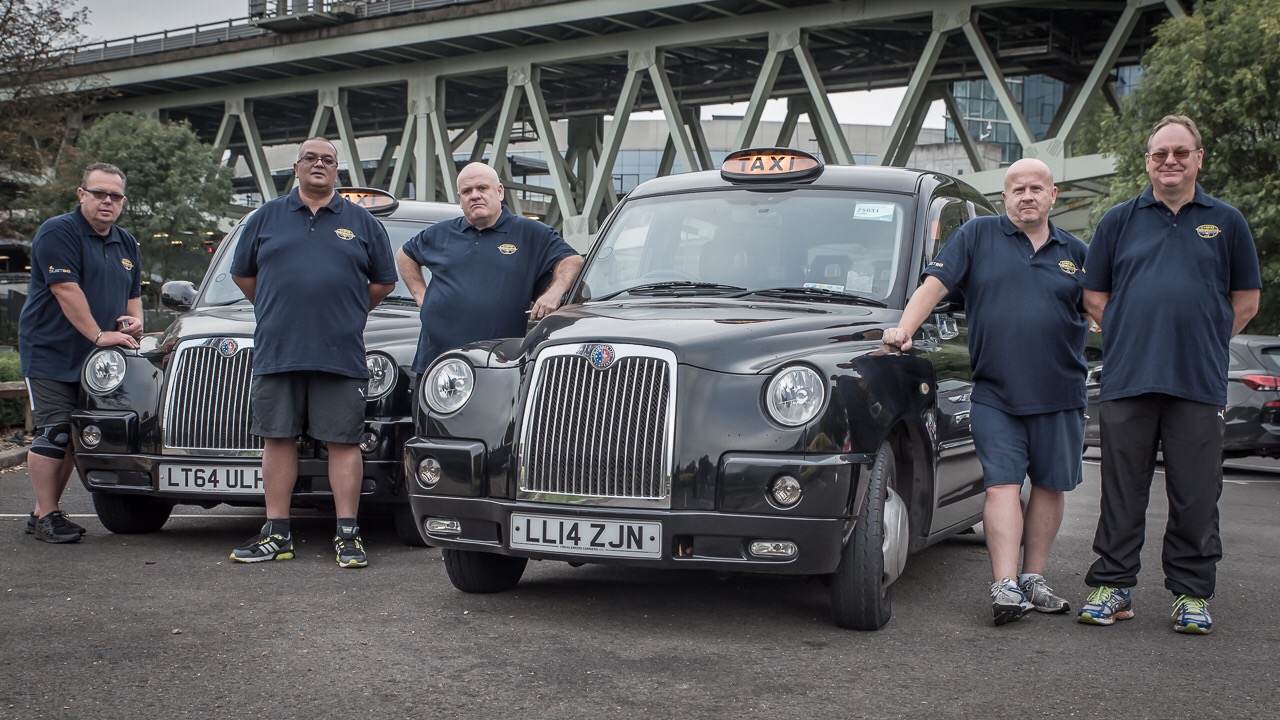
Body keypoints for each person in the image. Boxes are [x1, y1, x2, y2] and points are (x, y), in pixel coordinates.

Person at [882, 158, 1088, 626]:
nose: (1027, 196)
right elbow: (933, 286)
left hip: (1062, 391)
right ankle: (1005, 586)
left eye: (1037, 188)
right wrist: (903, 331)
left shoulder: (1077, 251)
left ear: (1053, 196)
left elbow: (1104, 309)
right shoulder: (978, 237)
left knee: (1051, 486)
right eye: (1017, 189)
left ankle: (1033, 579)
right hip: (996, 391)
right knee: (1002, 484)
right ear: (1004, 196)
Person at [1078, 115, 1260, 634]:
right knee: (1121, 491)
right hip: (1128, 379)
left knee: (1197, 495)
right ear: (1148, 162)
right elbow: (1094, 296)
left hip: (1198, 382)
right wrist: (1137, 334)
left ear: (1199, 158)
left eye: (1181, 153)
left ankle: (1192, 596)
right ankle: (1113, 585)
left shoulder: (1227, 222)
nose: (1170, 162)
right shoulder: (1118, 220)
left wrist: (1197, 337)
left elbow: (1245, 302)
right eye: (1160, 154)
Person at [229, 137, 398, 568]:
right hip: (279, 349)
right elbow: (243, 275)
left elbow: (382, 283)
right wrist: (280, 308)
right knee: (277, 438)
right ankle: (277, 534)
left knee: (343, 442)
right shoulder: (266, 217)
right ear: (297, 166)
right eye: (310, 158)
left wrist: (345, 311)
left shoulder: (362, 223)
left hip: (339, 352)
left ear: (336, 170)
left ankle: (347, 534)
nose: (319, 164)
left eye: (328, 160)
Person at [18, 162, 143, 543]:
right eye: (99, 193)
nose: (107, 201)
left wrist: (134, 325)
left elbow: (133, 296)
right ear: (81, 194)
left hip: (97, 359)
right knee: (53, 432)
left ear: (123, 201)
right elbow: (64, 289)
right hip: (50, 350)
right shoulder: (59, 231)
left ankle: (43, 513)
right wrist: (98, 334)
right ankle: (48, 513)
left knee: (76, 434)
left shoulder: (126, 242)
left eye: (115, 196)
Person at [396, 162, 583, 374]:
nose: (474, 195)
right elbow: (405, 254)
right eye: (466, 191)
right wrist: (421, 295)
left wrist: (554, 293)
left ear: (500, 191)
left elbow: (572, 260)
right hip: (435, 362)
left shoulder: (531, 233)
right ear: (460, 200)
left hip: (496, 365)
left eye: (482, 188)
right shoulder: (441, 233)